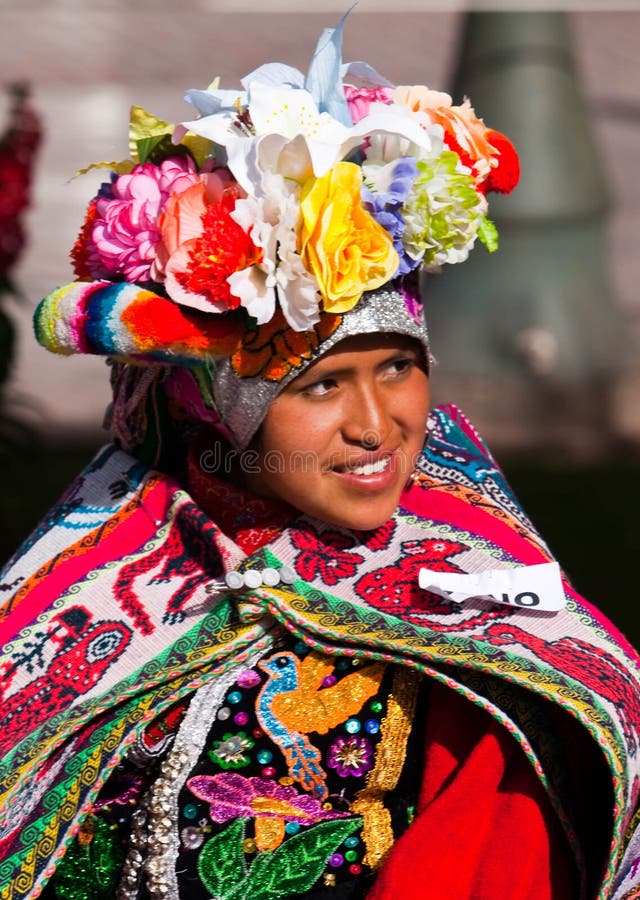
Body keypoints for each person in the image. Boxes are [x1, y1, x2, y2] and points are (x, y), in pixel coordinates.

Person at [1, 15, 639, 900]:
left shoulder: (480, 626)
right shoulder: (97, 568)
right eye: (321, 386)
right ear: (212, 411)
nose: (377, 426)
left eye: (398, 369)